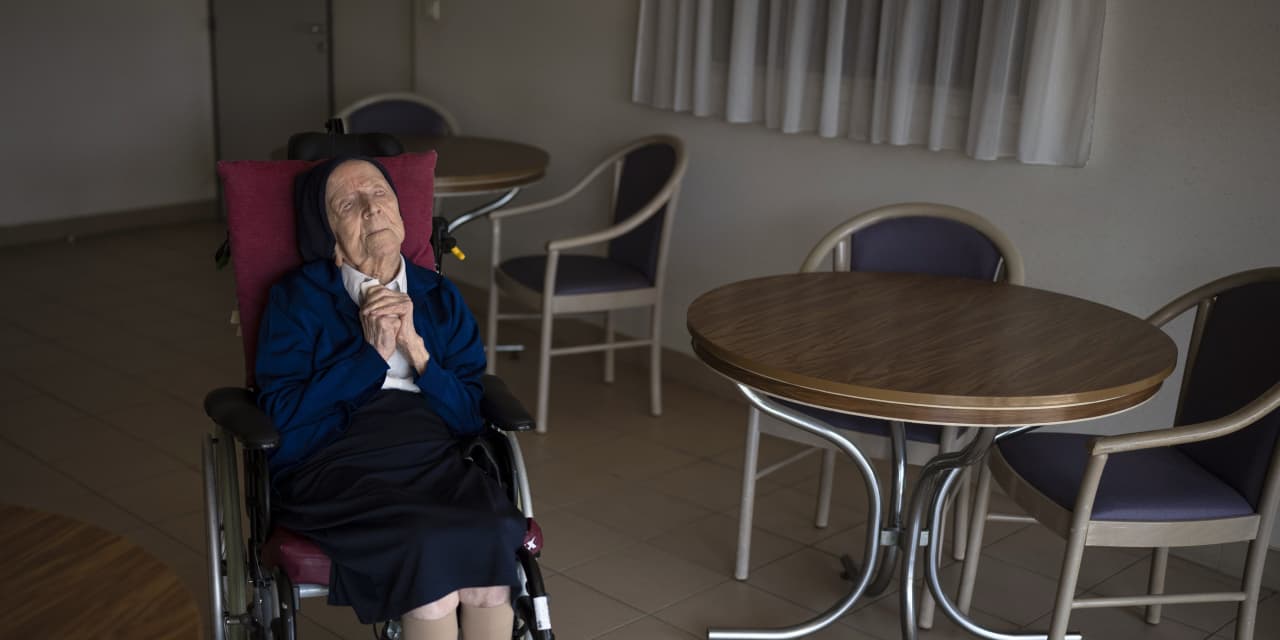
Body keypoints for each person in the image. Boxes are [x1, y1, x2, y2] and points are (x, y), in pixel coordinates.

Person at [254, 156, 525, 640]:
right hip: (333, 460)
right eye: (348, 203)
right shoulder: (296, 300)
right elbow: (284, 422)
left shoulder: (439, 297)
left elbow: (467, 415)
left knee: (492, 546)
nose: (371, 209)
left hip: (433, 453)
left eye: (379, 194)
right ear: (329, 235)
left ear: (401, 212)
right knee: (429, 563)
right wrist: (371, 355)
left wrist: (420, 355)